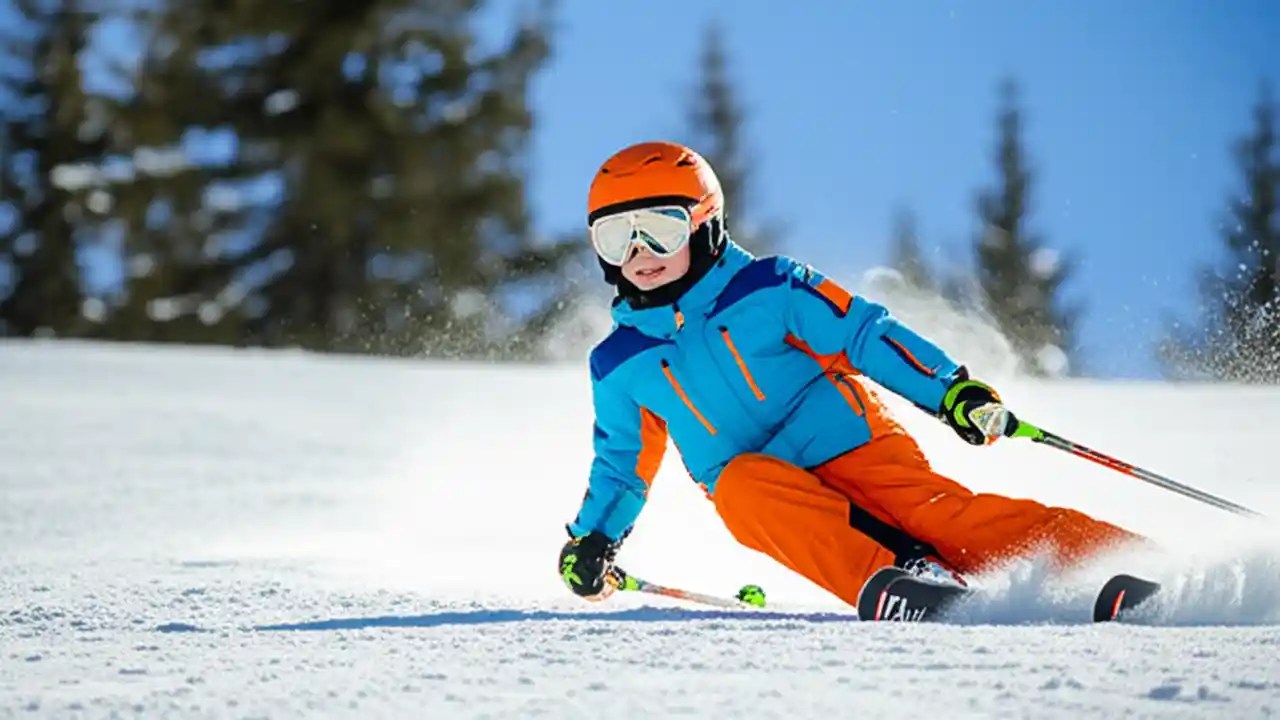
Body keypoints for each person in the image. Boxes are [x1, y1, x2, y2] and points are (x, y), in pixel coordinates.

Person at [558, 140, 1139, 608]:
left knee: (945, 521)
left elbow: (865, 335)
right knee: (738, 488)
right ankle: (901, 585)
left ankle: (1125, 565)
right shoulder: (618, 363)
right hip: (766, 490)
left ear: (705, 222)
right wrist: (592, 539)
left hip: (855, 447)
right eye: (616, 236)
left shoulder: (770, 288)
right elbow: (621, 466)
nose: (639, 250)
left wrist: (950, 391)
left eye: (661, 227)